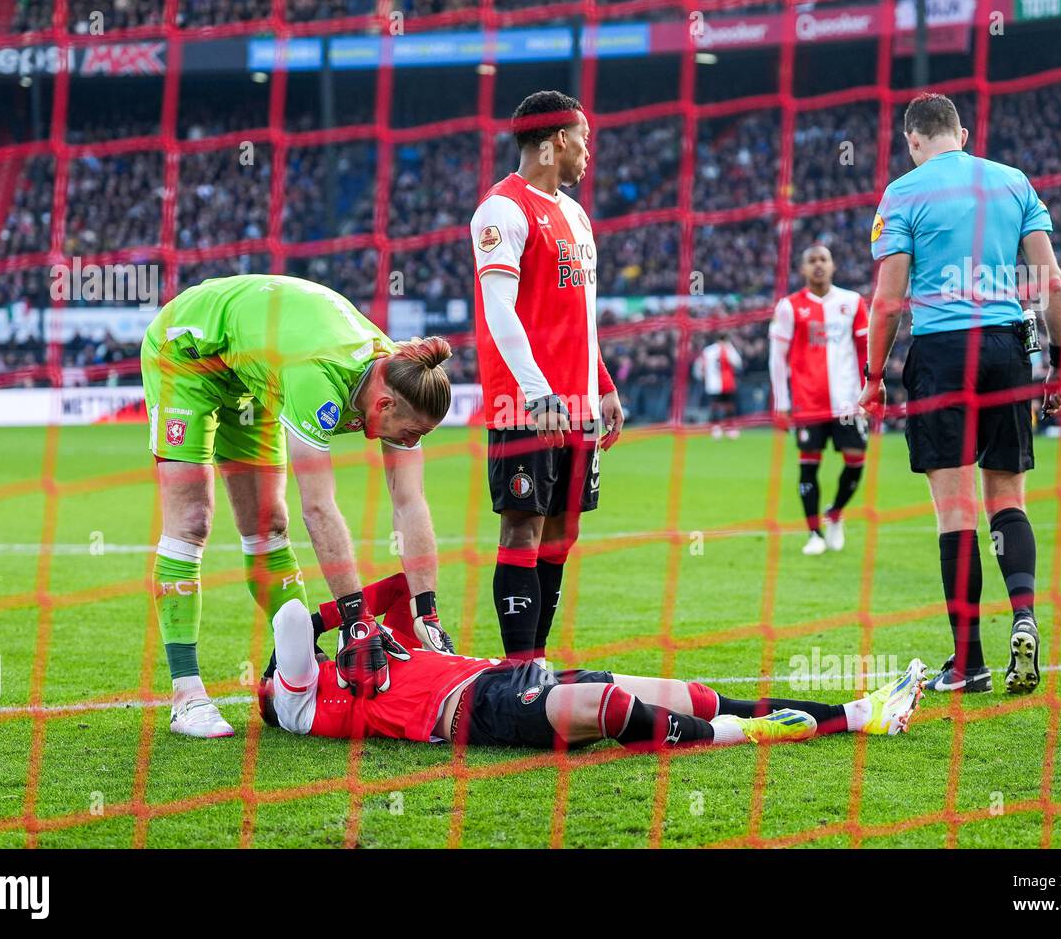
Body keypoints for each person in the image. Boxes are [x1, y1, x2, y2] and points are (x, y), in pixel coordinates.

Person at [140, 273, 457, 737]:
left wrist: (425, 608)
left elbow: (410, 502)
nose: (413, 443)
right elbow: (320, 507)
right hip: (190, 350)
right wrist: (355, 618)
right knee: (191, 520)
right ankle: (187, 696)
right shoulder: (319, 376)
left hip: (251, 372)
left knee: (270, 527)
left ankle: (302, 669)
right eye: (412, 433)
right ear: (384, 404)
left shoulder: (407, 376)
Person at [859, 93, 1061, 694]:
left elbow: (887, 302)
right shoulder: (1012, 182)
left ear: (913, 140)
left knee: (956, 510)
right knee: (1009, 497)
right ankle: (1025, 616)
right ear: (964, 132)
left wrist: (874, 378)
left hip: (942, 356)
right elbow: (1051, 282)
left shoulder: (904, 192)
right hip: (1007, 349)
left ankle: (968, 663)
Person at [257, 573, 929, 750]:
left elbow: (400, 583)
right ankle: (745, 733)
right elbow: (289, 620)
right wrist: (333, 625)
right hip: (475, 714)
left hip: (505, 677)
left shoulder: (373, 657)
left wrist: (352, 624)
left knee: (687, 692)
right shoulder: (303, 708)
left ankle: (862, 713)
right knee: (606, 710)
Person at [469, 90, 624, 665]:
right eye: (584, 139)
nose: (588, 152)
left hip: (578, 403)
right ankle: (517, 672)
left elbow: (576, 316)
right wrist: (539, 394)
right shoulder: (501, 209)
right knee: (522, 534)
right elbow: (499, 310)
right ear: (557, 141)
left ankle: (534, 662)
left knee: (561, 537)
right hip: (526, 404)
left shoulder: (577, 215)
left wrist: (602, 386)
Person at [770, 244, 870, 555]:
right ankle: (814, 533)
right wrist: (781, 402)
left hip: (847, 402)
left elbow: (865, 350)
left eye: (823, 259)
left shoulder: (852, 302)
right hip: (807, 403)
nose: (818, 265)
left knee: (856, 460)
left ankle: (836, 513)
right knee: (808, 467)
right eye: (811, 260)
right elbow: (777, 357)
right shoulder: (789, 306)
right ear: (802, 269)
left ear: (833, 265)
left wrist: (869, 389)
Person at [696, 331, 743, 439]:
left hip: (712, 384)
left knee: (714, 406)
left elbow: (700, 366)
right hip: (727, 382)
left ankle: (715, 429)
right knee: (729, 406)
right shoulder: (728, 348)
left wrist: (703, 378)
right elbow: (737, 362)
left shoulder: (708, 350)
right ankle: (730, 429)